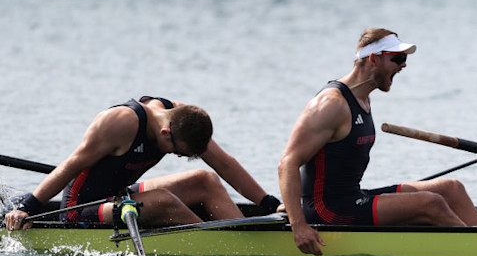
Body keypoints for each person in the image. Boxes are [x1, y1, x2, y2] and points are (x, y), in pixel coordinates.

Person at [278, 28, 477, 256]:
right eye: (397, 59)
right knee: (431, 203)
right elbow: (287, 163)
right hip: (326, 210)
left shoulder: (362, 97)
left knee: (451, 188)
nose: (403, 65)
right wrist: (298, 225)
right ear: (373, 59)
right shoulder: (331, 105)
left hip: (352, 197)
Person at [4, 96, 280, 231]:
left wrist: (269, 203)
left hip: (120, 195)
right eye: (177, 152)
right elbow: (70, 166)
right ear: (165, 133)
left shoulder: (182, 117)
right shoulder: (121, 123)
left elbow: (226, 165)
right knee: (162, 199)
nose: (176, 157)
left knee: (204, 180)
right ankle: (219, 245)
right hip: (82, 208)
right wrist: (27, 208)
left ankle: (245, 234)